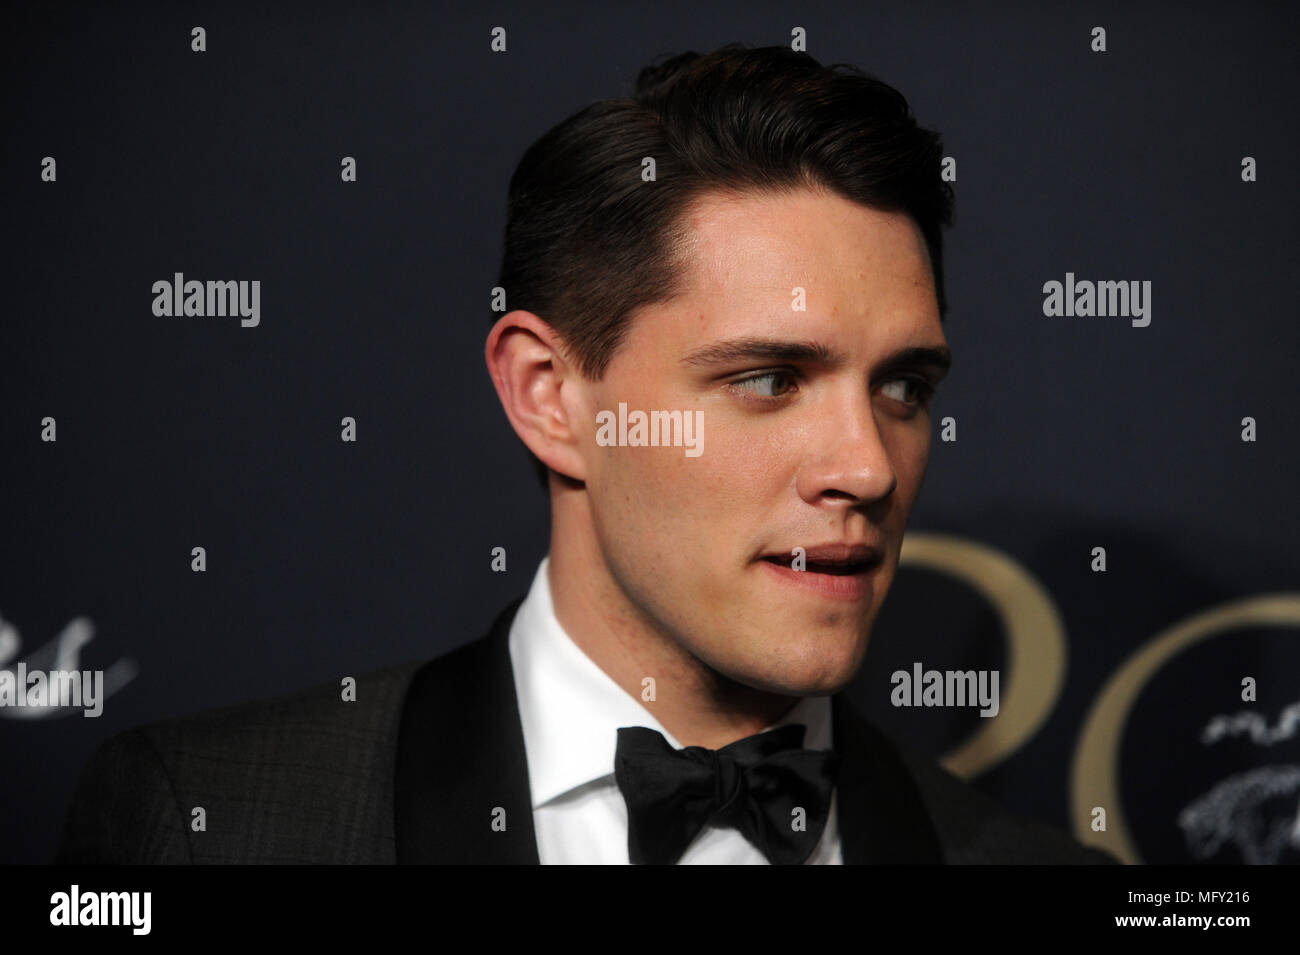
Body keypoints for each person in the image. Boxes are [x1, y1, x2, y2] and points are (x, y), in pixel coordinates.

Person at [57, 43, 1113, 865]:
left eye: (903, 388)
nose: (867, 466)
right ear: (549, 398)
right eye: (767, 379)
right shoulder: (216, 823)